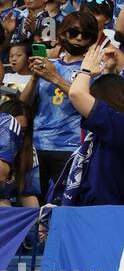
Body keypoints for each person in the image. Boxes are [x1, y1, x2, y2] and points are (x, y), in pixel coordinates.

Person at [23, 10, 99, 201]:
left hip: (71, 147)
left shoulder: (94, 69)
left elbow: (89, 106)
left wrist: (54, 77)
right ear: (62, 34)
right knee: (32, 204)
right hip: (36, 145)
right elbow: (22, 105)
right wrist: (34, 78)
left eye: (85, 34)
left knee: (62, 205)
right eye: (73, 32)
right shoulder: (49, 63)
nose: (79, 38)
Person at [60, 38, 124, 205]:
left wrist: (85, 70)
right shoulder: (116, 124)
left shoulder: (121, 125)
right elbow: (113, 90)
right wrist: (108, 71)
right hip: (91, 208)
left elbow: (76, 94)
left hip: (102, 211)